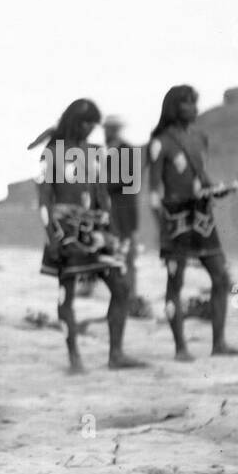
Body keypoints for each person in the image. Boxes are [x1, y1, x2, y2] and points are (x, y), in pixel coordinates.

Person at [29, 98, 145, 373]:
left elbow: (102, 194)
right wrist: (52, 236)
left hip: (96, 232)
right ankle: (74, 358)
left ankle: (116, 354)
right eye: (86, 123)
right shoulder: (53, 152)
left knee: (121, 288)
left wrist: (110, 229)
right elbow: (44, 199)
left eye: (93, 124)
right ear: (74, 121)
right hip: (65, 232)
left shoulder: (94, 152)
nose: (90, 129)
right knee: (66, 293)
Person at [148, 84, 238, 360]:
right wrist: (162, 228)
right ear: (174, 108)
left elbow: (201, 179)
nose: (194, 108)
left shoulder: (200, 138)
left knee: (221, 277)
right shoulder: (160, 143)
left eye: (194, 102)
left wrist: (218, 189)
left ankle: (219, 344)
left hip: (202, 219)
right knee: (175, 283)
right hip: (176, 221)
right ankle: (180, 348)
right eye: (187, 103)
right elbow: (154, 192)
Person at [102, 117, 145, 314]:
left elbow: (129, 181)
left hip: (125, 214)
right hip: (113, 215)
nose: (106, 132)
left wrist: (103, 184)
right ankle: (122, 298)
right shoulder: (109, 152)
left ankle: (130, 298)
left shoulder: (126, 150)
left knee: (128, 258)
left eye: (109, 129)